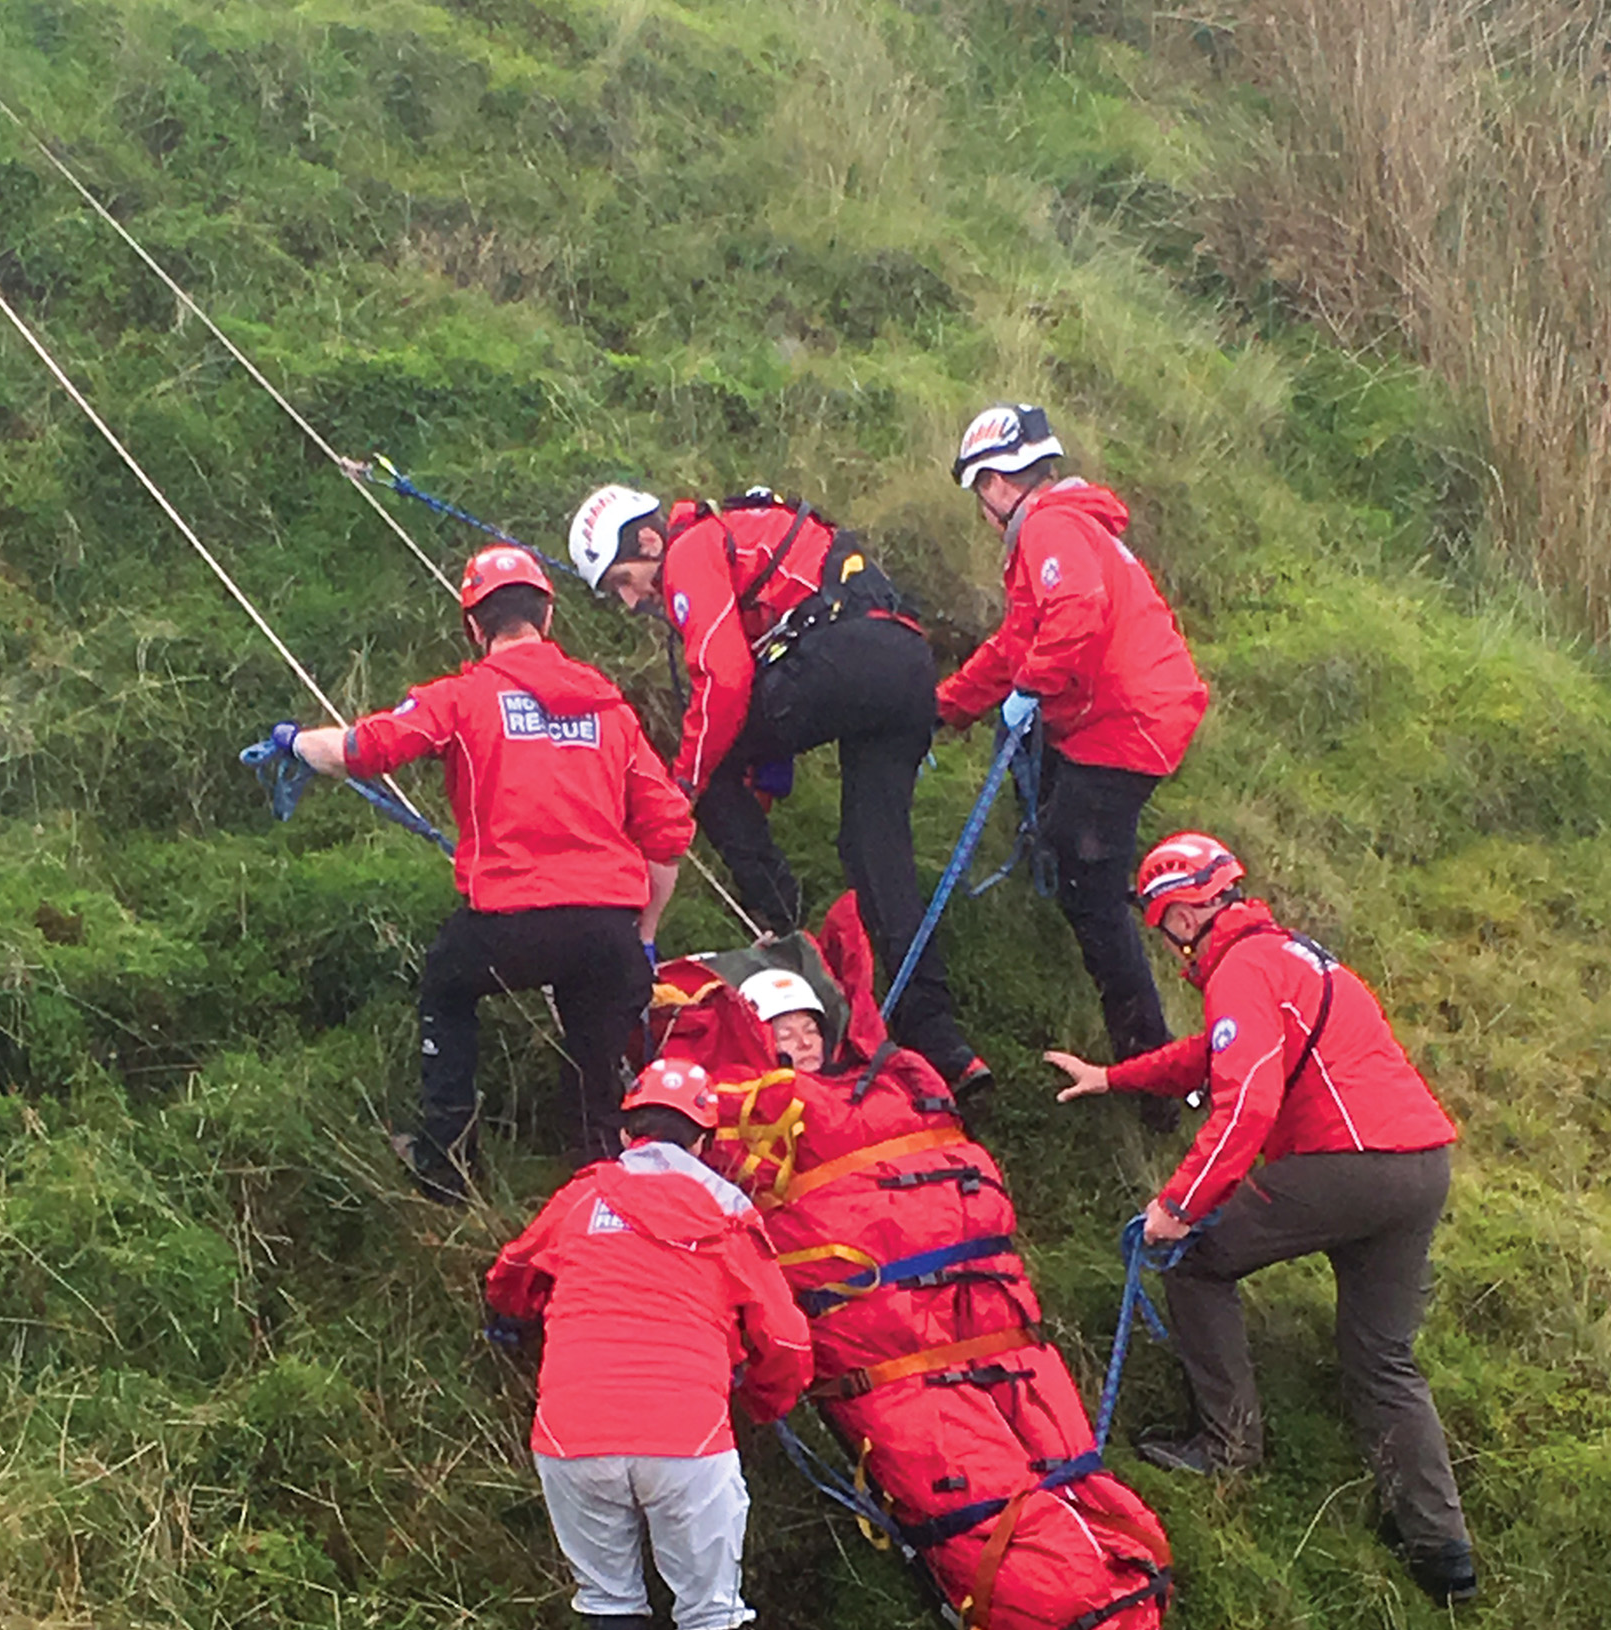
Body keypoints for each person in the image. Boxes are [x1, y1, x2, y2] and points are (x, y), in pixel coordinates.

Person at [1045, 831, 1477, 1604]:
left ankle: (1228, 1448)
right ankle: (1441, 1554)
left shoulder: (1241, 968)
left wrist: (1179, 1206)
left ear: (1187, 910)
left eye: (1163, 919)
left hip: (1346, 1163)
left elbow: (1246, 1099)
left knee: (1197, 1262)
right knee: (1383, 1361)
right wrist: (1113, 1078)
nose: (1167, 938)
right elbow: (1213, 1058)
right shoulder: (1292, 955)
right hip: (1420, 1165)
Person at [280, 544, 691, 1196]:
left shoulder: (464, 697)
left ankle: (445, 1159)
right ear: (547, 615)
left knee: (448, 983)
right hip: (606, 926)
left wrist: (295, 743)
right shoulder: (609, 708)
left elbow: (364, 748)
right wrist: (642, 935)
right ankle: (599, 1189)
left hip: (510, 922)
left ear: (473, 625)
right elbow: (669, 831)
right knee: (594, 1066)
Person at [567, 481, 987, 1099]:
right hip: (905, 664)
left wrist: (685, 781)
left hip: (840, 657)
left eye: (623, 581)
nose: (630, 602)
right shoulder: (736, 533)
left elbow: (725, 678)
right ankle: (941, 1043)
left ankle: (778, 917)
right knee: (876, 856)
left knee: (707, 762)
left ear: (650, 540)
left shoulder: (689, 551)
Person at [484, 1056, 814, 1630]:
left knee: (605, 1598)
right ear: (702, 1139)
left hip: (571, 1436)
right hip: (688, 1442)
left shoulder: (581, 1199)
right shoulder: (730, 1217)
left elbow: (510, 1273)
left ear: (629, 1129)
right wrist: (763, 1405)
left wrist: (513, 1314)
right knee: (710, 1605)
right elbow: (788, 1345)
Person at [937, 405, 1209, 1120]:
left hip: (1125, 726)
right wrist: (952, 705)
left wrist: (1029, 689)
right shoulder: (1064, 527)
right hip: (1124, 717)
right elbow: (1015, 641)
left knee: (1088, 890)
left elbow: (1075, 616)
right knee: (1070, 839)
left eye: (980, 495)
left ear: (995, 483)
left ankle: (1153, 1071)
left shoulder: (1051, 528)